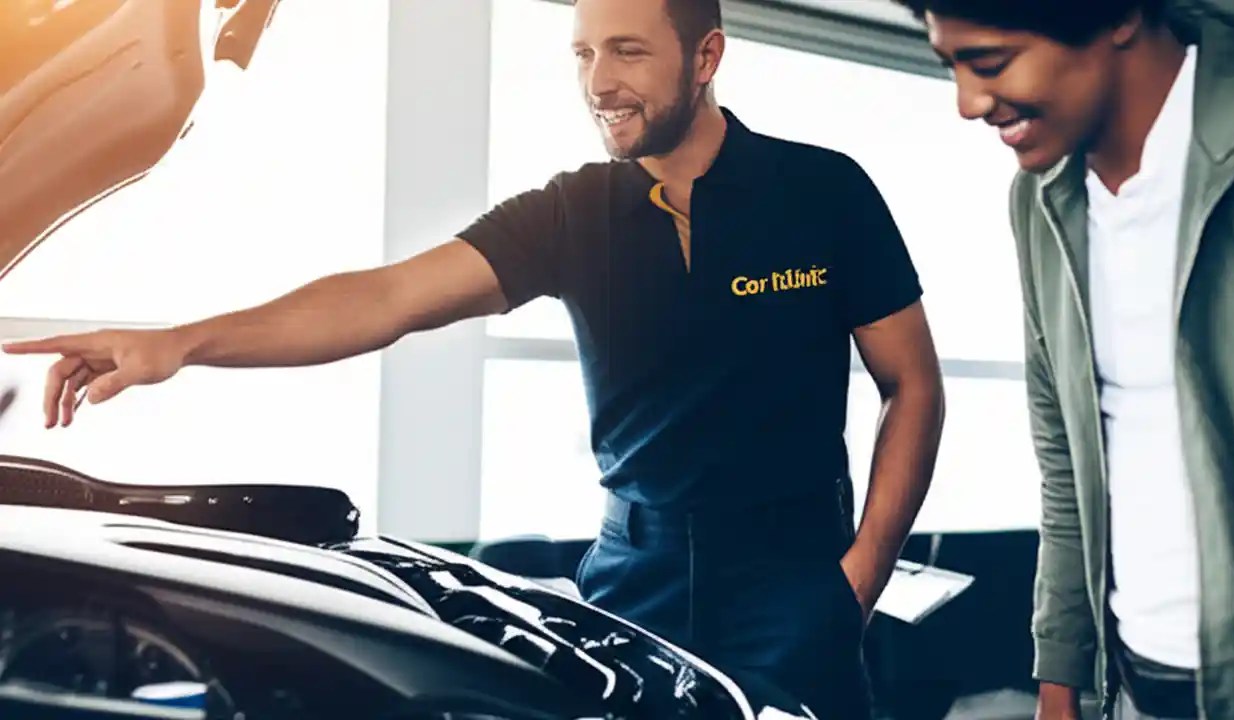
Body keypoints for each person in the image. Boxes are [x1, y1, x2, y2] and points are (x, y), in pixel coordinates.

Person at [3, 0, 947, 716]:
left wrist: (857, 577)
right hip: (633, 574)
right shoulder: (570, 212)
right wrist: (178, 344)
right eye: (582, 52)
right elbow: (383, 299)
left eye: (626, 50)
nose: (598, 82)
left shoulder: (825, 190)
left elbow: (912, 387)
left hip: (796, 574)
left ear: (706, 57)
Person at [888, 0, 1234, 718]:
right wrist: (1061, 679)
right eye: (952, 67)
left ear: (1120, 16)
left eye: (990, 63)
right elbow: (1067, 462)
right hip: (1134, 687)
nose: (967, 104)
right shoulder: (1039, 199)